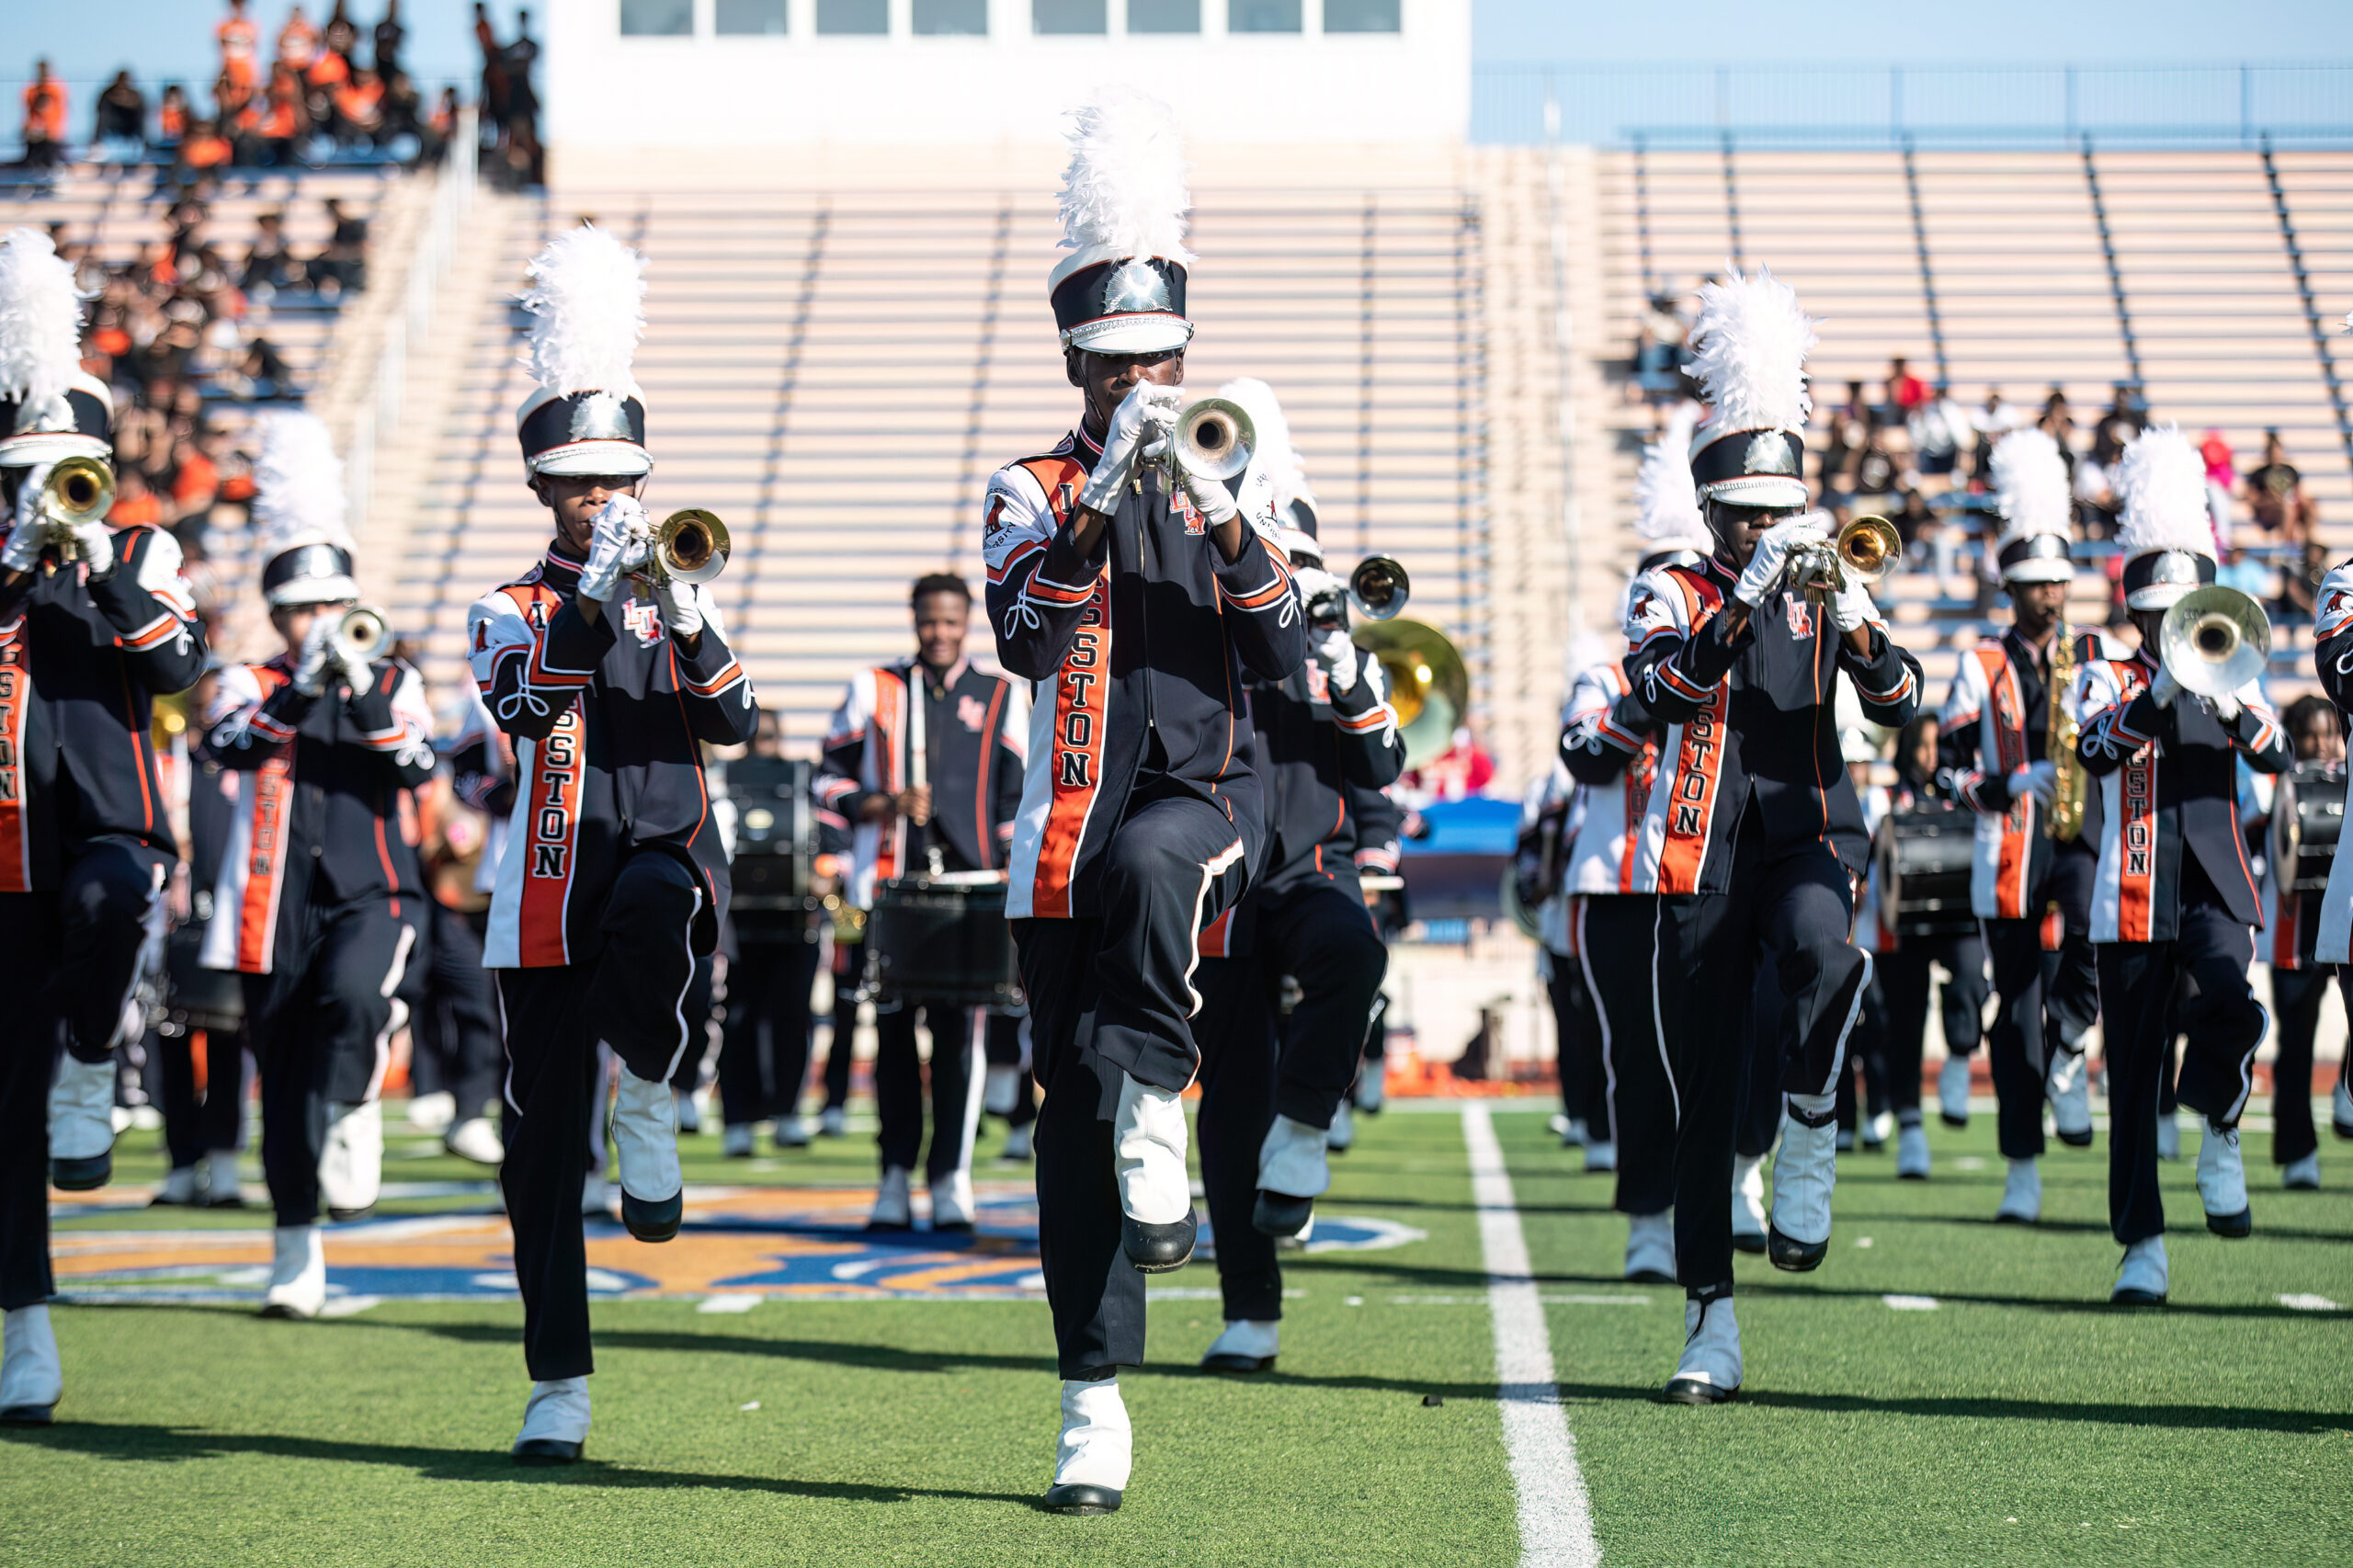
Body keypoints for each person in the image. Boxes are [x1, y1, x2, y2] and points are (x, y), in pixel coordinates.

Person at [980, 91, 1302, 1514]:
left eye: (1160, 358)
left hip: (1199, 791)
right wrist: (1103, 501)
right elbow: (1024, 634)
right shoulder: (1027, 484)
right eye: (1115, 364)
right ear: (1075, 361)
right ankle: (1090, 1402)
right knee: (1067, 1126)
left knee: (1166, 868)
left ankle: (1165, 1086)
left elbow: (1292, 640)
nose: (1141, 382)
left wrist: (1216, 505)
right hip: (1061, 832)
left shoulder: (1242, 460)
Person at [468, 224, 757, 1462]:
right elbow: (527, 704)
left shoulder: (674, 586)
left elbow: (735, 718)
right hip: (541, 888)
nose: (609, 503)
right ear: (545, 492)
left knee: (654, 903)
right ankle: (559, 1385)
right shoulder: (506, 605)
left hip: (659, 853)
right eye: (584, 486)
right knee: (535, 1148)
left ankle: (649, 1087)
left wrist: (685, 616)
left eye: (620, 482)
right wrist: (593, 601)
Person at [1617, 267, 1923, 1403]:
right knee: (1700, 1093)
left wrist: (1856, 621)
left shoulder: (1826, 581)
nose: (1765, 526)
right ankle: (1711, 1318)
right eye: (1743, 511)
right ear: (1710, 515)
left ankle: (1809, 1112)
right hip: (1695, 853)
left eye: (1775, 508)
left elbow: (1902, 703)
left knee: (1825, 953)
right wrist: (1739, 596)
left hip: (1804, 835)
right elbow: (1654, 692)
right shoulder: (1669, 590)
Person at [0, 230, 207, 1425]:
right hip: (4, 843)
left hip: (114, 824)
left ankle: (96, 1052)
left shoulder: (141, 546)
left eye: (68, 467)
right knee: (5, 1100)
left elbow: (177, 657)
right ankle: (25, 1323)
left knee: (111, 899)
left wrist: (87, 565)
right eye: (29, 468)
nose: (47, 486)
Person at [200, 415, 433, 1320]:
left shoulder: (395, 680)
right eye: (301, 609)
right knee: (283, 1082)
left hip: (374, 889)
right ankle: (296, 1244)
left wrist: (357, 677)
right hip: (270, 908)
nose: (316, 623)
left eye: (330, 607)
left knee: (355, 997)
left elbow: (415, 763)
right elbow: (229, 746)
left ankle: (358, 1096)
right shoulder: (249, 682)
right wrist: (301, 681)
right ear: (277, 614)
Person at [1189, 381, 1402, 1375]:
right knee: (1228, 1105)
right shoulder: (1209, 641)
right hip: (1223, 878)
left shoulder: (1334, 652)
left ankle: (1309, 1123)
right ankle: (1250, 1311)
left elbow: (1385, 765)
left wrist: (1342, 660)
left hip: (1312, 867)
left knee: (1355, 958)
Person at [2076, 425, 2288, 1306]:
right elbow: (2092, 748)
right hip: (2128, 888)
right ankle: (2142, 1247)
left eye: (2183, 610)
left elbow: (2275, 754)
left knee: (2234, 1006)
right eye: (2156, 614)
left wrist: (2230, 700)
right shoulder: (2104, 671)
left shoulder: (2229, 664)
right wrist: (2162, 689)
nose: (2171, 626)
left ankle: (2221, 1119)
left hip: (2214, 881)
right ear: (2134, 614)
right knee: (2130, 1079)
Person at [814, 574, 1026, 1229]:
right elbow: (826, 781)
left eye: (952, 622)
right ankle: (894, 1177)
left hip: (972, 897)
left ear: (968, 625)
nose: (940, 633)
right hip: (888, 893)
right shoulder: (873, 688)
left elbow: (1017, 803)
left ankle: (952, 1179)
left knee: (962, 1041)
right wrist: (882, 804)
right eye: (929, 621)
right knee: (897, 1043)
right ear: (914, 620)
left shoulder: (1000, 696)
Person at [1557, 407, 1714, 1283]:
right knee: (1640, 1061)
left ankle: (1734, 1174)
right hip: (1620, 891)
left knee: (1727, 1043)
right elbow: (1583, 754)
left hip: (1709, 879)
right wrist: (1652, 696)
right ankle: (1649, 1219)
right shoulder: (1605, 671)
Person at [1936, 429, 2109, 1216]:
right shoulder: (1979, 663)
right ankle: (2021, 1164)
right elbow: (1948, 768)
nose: (2052, 596)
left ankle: (2074, 1041)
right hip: (2008, 844)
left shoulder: (2095, 652)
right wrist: (2009, 782)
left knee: (2091, 935)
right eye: (2037, 584)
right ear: (2012, 587)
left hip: (2080, 835)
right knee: (2013, 1011)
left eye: (2058, 583)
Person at [714, 708, 822, 1156]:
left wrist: (825, 871)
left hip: (795, 919)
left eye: (771, 735)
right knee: (736, 1018)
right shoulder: (721, 778)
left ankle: (788, 1112)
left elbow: (830, 829)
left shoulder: (804, 777)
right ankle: (736, 1119)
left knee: (793, 1017)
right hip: (738, 921)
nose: (764, 742)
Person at [2261, 696, 2350, 1190]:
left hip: (2344, 922)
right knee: (2295, 1044)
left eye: (2329, 734)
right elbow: (2260, 836)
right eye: (2312, 736)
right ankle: (2298, 1154)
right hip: (2292, 932)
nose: (2323, 745)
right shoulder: (2276, 781)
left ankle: (2345, 1090)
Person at [2244, 429, 2316, 544]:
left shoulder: (2290, 470)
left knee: (2309, 506)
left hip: (2289, 504)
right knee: (2287, 507)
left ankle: (2309, 542)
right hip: (2269, 510)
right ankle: (2287, 544)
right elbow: (2253, 500)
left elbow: (2298, 493)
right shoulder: (2258, 473)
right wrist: (2273, 499)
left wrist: (2304, 502)